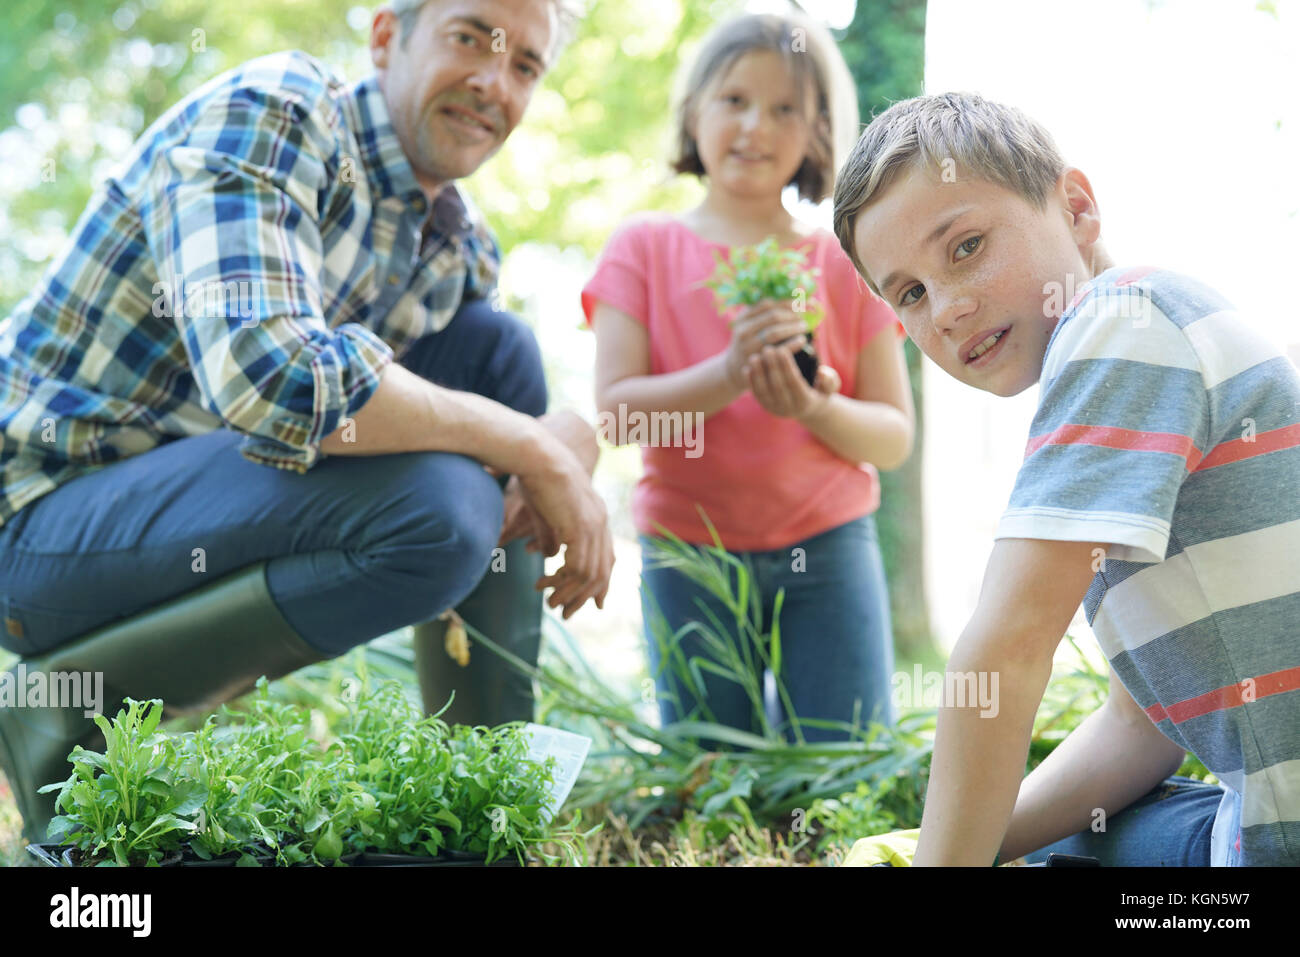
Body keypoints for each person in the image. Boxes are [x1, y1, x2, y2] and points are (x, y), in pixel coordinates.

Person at [0, 0, 614, 844]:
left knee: (499, 355)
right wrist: (532, 443)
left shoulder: (456, 243)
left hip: (199, 500)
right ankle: (59, 716)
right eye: (469, 37)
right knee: (442, 507)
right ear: (387, 36)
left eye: (524, 65)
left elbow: (475, 415)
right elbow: (277, 381)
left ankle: (479, 804)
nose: (492, 81)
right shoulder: (276, 109)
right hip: (43, 524)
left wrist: (553, 435)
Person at [835, 91, 1300, 865]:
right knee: (1071, 846)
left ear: (1077, 208)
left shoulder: (1121, 322)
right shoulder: (1133, 347)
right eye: (910, 293)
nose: (946, 308)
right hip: (1263, 819)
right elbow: (1138, 726)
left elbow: (1006, 649)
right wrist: (948, 849)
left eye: (966, 245)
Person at [581, 13, 914, 744]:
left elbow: (892, 438)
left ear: (819, 132)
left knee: (840, 765)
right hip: (688, 552)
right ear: (694, 109)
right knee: (712, 772)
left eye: (785, 108)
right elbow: (617, 417)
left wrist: (815, 407)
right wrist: (728, 374)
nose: (756, 126)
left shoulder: (842, 261)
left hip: (828, 545)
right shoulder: (643, 247)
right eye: (735, 100)